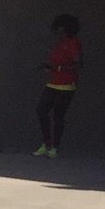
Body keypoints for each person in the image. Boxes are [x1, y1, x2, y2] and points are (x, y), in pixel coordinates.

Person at [34, 14, 82, 157]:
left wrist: (60, 68)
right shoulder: (59, 43)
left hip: (66, 85)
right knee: (41, 110)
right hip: (53, 82)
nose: (56, 31)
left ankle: (55, 147)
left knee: (58, 115)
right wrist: (49, 67)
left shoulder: (73, 43)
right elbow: (56, 63)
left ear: (66, 28)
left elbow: (79, 64)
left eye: (59, 28)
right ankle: (46, 143)